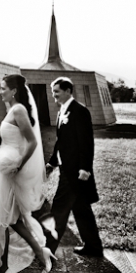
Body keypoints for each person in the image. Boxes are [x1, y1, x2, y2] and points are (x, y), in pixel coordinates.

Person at [0, 74, 54, 273]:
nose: (0, 92)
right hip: (5, 170)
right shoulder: (12, 110)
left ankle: (3, 268)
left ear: (13, 90)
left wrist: (18, 164)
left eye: (3, 88)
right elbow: (10, 136)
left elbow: (32, 141)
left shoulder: (18, 109)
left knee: (7, 219)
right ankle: (37, 255)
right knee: (12, 219)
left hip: (12, 172)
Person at [44, 77, 104, 257]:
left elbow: (86, 143)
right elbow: (60, 142)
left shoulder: (79, 111)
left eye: (57, 91)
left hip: (75, 172)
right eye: (53, 91)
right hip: (65, 169)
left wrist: (85, 168)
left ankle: (47, 250)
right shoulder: (61, 112)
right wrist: (52, 163)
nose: (54, 95)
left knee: (58, 210)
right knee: (81, 209)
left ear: (68, 91)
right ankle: (93, 247)